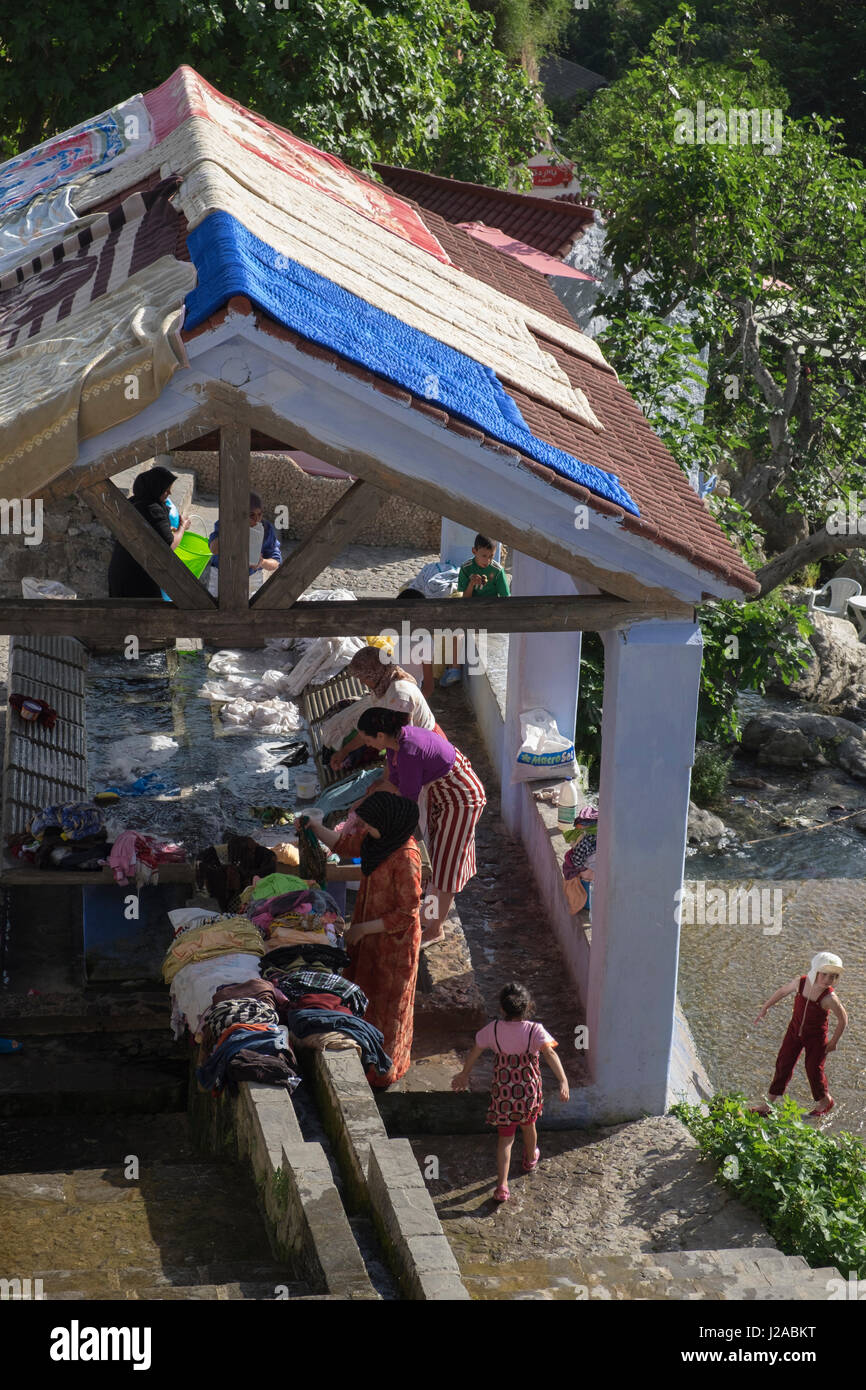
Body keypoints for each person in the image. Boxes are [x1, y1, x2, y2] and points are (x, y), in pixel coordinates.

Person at [306, 793, 422, 1088]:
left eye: (370, 826)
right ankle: (364, 1055)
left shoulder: (406, 857)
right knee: (365, 995)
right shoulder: (378, 843)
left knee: (389, 1005)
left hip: (394, 945)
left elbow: (407, 913)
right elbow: (345, 845)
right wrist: (314, 828)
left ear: (388, 823)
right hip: (369, 933)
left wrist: (364, 929)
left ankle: (384, 1070)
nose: (365, 830)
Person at [355, 707, 486, 947]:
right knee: (434, 862)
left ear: (381, 735)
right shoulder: (395, 746)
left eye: (367, 738)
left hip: (461, 800)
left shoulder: (409, 751)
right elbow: (393, 783)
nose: (366, 744)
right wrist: (362, 806)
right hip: (443, 798)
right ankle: (428, 915)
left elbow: (407, 804)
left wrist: (383, 832)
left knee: (446, 865)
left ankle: (435, 929)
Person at [451, 982, 569, 1203]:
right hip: (528, 1092)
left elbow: (475, 1051)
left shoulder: (493, 1029)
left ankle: (502, 1185)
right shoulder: (535, 1030)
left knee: (505, 1139)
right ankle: (531, 1157)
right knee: (529, 1126)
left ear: (502, 1009)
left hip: (503, 1093)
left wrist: (464, 1074)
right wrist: (563, 1081)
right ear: (528, 1007)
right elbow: (551, 1055)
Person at [753, 951, 847, 1117]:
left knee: (813, 1069)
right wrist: (765, 1007)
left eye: (832, 976)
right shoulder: (801, 983)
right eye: (824, 974)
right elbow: (782, 991)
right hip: (794, 1032)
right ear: (816, 971)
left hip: (816, 1038)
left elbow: (843, 1019)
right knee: (783, 1063)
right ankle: (768, 1104)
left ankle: (825, 1101)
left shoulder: (829, 998)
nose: (828, 980)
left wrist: (833, 1042)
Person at [323, 645, 443, 775]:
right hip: (404, 744)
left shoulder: (399, 696)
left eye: (363, 678)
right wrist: (344, 751)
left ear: (373, 674)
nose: (363, 682)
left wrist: (388, 779)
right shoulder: (384, 682)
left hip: (427, 750)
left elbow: (406, 745)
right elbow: (371, 729)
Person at [107, 465, 190, 598]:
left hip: (121, 569)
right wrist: (182, 528)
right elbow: (169, 545)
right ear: (156, 488)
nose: (170, 493)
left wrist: (167, 530)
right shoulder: (153, 510)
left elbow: (146, 532)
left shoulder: (134, 502)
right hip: (136, 576)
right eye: (166, 490)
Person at [441, 533, 510, 686]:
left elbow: (505, 599)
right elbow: (464, 598)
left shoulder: (497, 571)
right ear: (474, 551)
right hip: (470, 608)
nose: (488, 560)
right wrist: (471, 584)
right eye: (484, 555)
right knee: (456, 629)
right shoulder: (466, 569)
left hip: (490, 611)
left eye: (491, 556)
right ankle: (454, 669)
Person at [207, 491, 281, 596]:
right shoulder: (226, 523)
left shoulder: (266, 529)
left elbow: (276, 562)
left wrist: (262, 562)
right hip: (223, 573)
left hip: (252, 577)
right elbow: (213, 549)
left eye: (259, 514)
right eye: (251, 515)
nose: (257, 519)